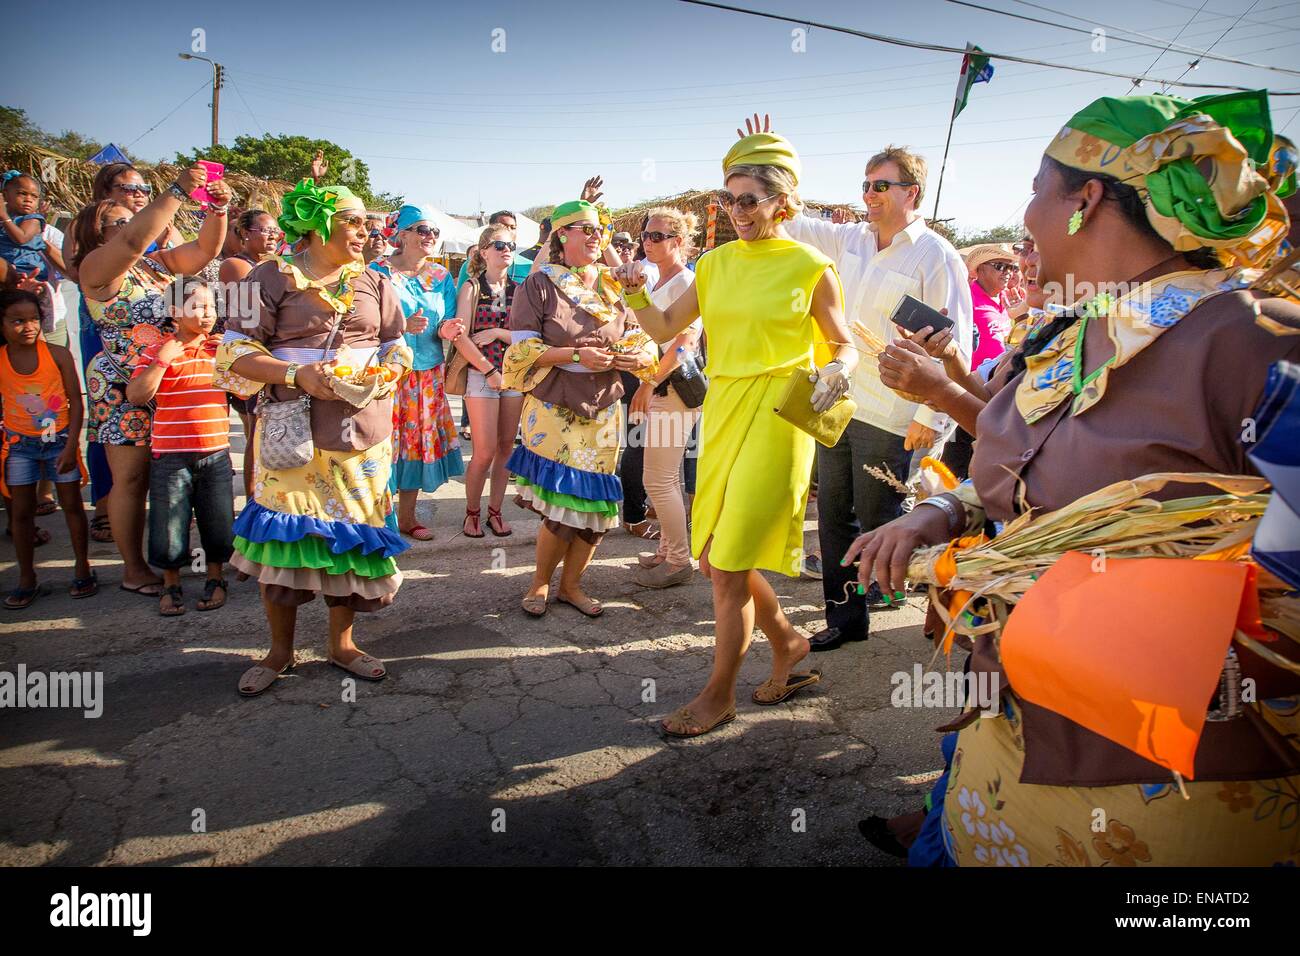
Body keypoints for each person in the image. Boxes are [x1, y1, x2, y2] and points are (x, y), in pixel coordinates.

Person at [848, 91, 1300, 866]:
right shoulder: (1074, 335)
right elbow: (1030, 476)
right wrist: (944, 515)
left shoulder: (1254, 342)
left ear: (1085, 200)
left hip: (1157, 792)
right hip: (1010, 749)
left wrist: (1081, 631)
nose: (1024, 216)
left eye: (1034, 189)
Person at [614, 131, 858, 737]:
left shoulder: (810, 265)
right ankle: (789, 643)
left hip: (780, 417)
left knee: (726, 565)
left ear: (782, 203)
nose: (738, 212)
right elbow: (667, 324)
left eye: (750, 200)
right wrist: (632, 288)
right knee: (715, 559)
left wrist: (839, 369)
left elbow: (844, 343)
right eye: (730, 200)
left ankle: (718, 694)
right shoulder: (714, 263)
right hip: (721, 409)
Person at [756, 117, 971, 651]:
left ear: (911, 193)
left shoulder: (937, 255)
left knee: (885, 519)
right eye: (866, 185)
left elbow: (953, 342)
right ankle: (845, 620)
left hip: (897, 413)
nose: (870, 194)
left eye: (881, 185)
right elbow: (793, 218)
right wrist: (773, 156)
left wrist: (930, 416)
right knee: (833, 518)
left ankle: (946, 601)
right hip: (841, 403)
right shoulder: (847, 239)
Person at [217, 179, 412, 697]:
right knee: (287, 536)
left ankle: (341, 644)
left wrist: (388, 373)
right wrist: (293, 375)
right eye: (353, 220)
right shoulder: (264, 276)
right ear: (317, 224)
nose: (366, 230)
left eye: (367, 222)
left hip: (361, 429)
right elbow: (232, 353)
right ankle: (279, 651)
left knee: (347, 537)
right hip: (293, 431)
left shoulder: (375, 279)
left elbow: (395, 343)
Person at [72, 162, 231, 597]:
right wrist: (179, 189)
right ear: (98, 232)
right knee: (131, 480)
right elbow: (133, 239)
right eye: (119, 221)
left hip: (170, 379)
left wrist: (217, 209)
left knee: (168, 480)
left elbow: (204, 251)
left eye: (130, 217)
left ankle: (174, 562)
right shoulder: (96, 271)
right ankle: (134, 567)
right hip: (124, 385)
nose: (130, 223)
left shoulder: (155, 266)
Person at [502, 199, 656, 618]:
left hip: (606, 407)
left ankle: (572, 586)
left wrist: (636, 358)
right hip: (556, 406)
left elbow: (641, 336)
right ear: (561, 235)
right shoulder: (537, 284)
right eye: (583, 228)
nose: (594, 236)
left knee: (596, 508)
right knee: (562, 504)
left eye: (598, 229)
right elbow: (521, 349)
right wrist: (573, 355)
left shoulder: (612, 284)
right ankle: (539, 584)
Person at [126, 277, 233, 616]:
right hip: (171, 454)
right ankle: (171, 583)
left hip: (215, 451)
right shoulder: (158, 350)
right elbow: (136, 395)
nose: (207, 314)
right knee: (169, 521)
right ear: (174, 311)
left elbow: (245, 391)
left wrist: (232, 355)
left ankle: (215, 579)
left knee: (217, 520)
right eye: (198, 307)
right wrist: (162, 360)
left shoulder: (220, 349)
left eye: (211, 307)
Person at [369, 205, 466, 540]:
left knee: (416, 444)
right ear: (403, 235)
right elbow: (363, 322)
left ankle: (407, 517)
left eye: (435, 232)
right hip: (388, 371)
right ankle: (378, 520)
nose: (430, 237)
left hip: (428, 374)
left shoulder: (441, 276)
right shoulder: (377, 271)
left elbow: (445, 321)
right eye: (423, 230)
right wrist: (400, 326)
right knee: (383, 442)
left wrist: (447, 330)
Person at [0, 289, 95, 609]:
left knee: (72, 507)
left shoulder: (58, 355)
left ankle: (83, 568)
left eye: (33, 319)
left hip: (60, 443)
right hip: (19, 447)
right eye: (17, 321)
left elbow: (76, 402)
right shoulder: (1, 359)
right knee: (20, 513)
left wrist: (71, 445)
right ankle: (27, 578)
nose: (27, 326)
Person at [629, 207, 701, 588]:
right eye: (646, 235)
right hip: (663, 389)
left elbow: (683, 347)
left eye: (657, 236)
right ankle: (668, 551)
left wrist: (646, 383)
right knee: (666, 477)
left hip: (670, 390)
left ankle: (677, 561)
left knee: (657, 480)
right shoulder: (660, 280)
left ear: (678, 241)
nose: (648, 242)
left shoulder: (687, 282)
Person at [452, 224, 523, 538]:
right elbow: (459, 336)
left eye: (510, 244)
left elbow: (528, 336)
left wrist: (497, 333)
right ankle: (472, 513)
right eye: (498, 244)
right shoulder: (471, 287)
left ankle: (495, 512)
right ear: (483, 252)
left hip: (513, 376)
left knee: (506, 448)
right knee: (484, 451)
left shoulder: (518, 290)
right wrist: (490, 372)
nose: (506, 249)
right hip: (482, 376)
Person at [219, 209, 281, 502]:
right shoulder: (236, 265)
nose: (273, 236)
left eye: (275, 231)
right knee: (256, 433)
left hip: (272, 355)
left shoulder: (274, 266)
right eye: (265, 230)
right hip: (251, 355)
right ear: (244, 233)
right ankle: (254, 502)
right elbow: (248, 314)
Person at [456, 210, 532, 289]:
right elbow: (460, 296)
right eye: (503, 226)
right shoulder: (471, 264)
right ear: (490, 229)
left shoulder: (529, 265)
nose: (508, 230)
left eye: (513, 227)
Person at [0, 171, 50, 287]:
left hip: (27, 270)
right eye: (22, 193)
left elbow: (21, 238)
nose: (29, 199)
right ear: (5, 195)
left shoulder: (34, 219)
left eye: (34, 196)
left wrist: (4, 217)